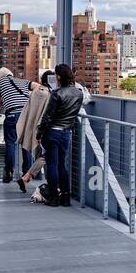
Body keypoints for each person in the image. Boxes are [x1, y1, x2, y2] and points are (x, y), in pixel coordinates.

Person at [36, 63, 84, 206]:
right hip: (66, 133)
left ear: (58, 77)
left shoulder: (56, 93)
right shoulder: (78, 93)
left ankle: (53, 197)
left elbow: (48, 116)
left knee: (52, 165)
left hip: (52, 133)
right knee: (62, 165)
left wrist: (39, 134)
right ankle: (65, 196)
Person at [15, 71, 53, 193]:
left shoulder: (35, 92)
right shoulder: (49, 94)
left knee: (41, 156)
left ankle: (27, 177)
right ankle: (28, 177)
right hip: (42, 130)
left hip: (31, 128)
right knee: (46, 156)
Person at [0, 65, 31, 182]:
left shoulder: (1, 82)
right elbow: (38, 87)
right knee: (26, 145)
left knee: (10, 144)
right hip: (26, 115)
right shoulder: (22, 81)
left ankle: (9, 172)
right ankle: (27, 174)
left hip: (12, 115)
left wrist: (6, 99)